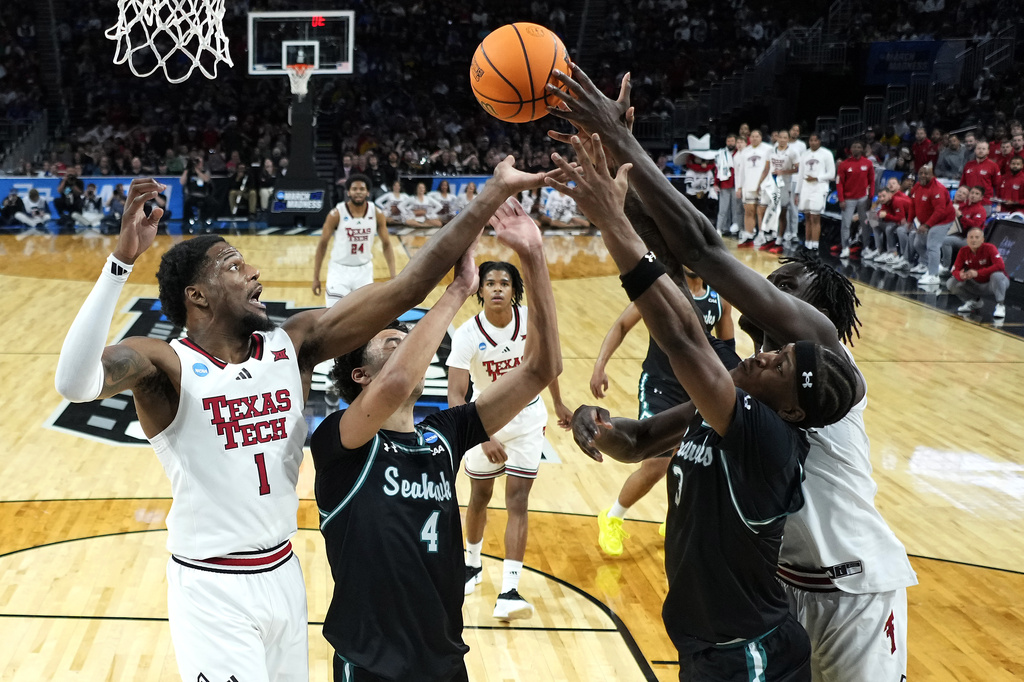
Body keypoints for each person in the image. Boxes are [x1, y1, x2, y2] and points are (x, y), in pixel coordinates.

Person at [53, 160, 551, 682]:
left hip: (283, 574)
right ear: (197, 296)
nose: (254, 273)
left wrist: (490, 195)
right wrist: (120, 261)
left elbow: (408, 286)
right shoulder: (164, 364)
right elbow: (74, 383)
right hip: (211, 586)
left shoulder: (293, 344)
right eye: (233, 265)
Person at [545, 64, 914, 682]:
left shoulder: (819, 352)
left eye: (788, 287)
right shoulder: (749, 390)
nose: (770, 286)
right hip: (779, 590)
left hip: (853, 587)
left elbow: (701, 253)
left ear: (810, 314)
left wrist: (624, 142)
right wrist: (613, 163)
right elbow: (643, 434)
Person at [310, 197, 562, 681]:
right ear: (360, 374)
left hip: (444, 657)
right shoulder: (340, 444)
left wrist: (533, 257)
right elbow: (397, 384)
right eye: (391, 339)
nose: (405, 339)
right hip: (371, 661)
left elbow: (542, 368)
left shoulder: (444, 436)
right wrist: (459, 290)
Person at [446, 260, 573, 620]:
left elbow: (545, 364)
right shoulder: (467, 334)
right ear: (480, 291)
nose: (497, 288)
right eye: (490, 283)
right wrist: (480, 436)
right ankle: (472, 564)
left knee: (518, 500)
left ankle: (510, 590)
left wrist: (559, 402)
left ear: (514, 290)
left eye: (504, 283)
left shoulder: (531, 319)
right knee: (480, 496)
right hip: (484, 418)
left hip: (529, 420)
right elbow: (456, 396)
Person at [592, 269, 736, 554]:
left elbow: (727, 349)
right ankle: (612, 517)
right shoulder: (659, 290)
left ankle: (675, 518)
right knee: (656, 464)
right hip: (660, 386)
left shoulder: (719, 299)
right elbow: (622, 325)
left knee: (687, 460)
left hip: (696, 392)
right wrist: (600, 365)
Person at [312, 173, 397, 308]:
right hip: (339, 271)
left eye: (362, 189)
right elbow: (322, 245)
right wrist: (316, 277)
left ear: (368, 192)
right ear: (348, 192)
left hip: (364, 272)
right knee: (333, 314)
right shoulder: (337, 213)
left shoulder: (376, 213)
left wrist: (393, 275)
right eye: (355, 189)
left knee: (364, 316)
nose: (358, 192)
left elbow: (386, 244)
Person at [908, 164, 956, 286]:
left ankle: (933, 275)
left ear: (932, 175)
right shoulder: (917, 186)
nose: (923, 176)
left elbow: (940, 211)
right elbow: (913, 204)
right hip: (926, 221)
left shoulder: (937, 189)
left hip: (942, 221)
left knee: (932, 245)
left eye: (926, 173)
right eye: (921, 173)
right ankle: (926, 265)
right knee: (918, 244)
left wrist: (927, 226)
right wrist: (909, 220)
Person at [947, 226, 1008, 318]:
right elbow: (955, 270)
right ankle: (974, 301)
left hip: (991, 284)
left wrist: (978, 273)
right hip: (975, 283)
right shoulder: (963, 251)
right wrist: (960, 275)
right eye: (971, 237)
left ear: (982, 239)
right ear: (967, 240)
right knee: (951, 282)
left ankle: (1000, 305)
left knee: (997, 275)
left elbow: (1000, 265)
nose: (973, 240)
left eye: (977, 237)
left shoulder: (990, 248)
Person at [757, 129, 800, 250]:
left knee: (782, 212)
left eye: (785, 137)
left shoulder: (793, 152)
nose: (782, 139)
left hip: (784, 185)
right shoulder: (770, 151)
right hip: (770, 185)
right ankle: (770, 236)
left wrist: (784, 172)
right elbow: (766, 169)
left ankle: (780, 238)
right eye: (780, 137)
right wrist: (760, 183)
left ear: (788, 139)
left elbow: (798, 169)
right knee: (767, 210)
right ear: (777, 138)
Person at [794, 132, 835, 253]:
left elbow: (832, 174)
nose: (812, 142)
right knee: (807, 216)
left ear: (820, 141)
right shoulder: (805, 154)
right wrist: (797, 193)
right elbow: (800, 174)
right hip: (806, 188)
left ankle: (815, 244)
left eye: (815, 140)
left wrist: (817, 178)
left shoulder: (826, 154)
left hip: (819, 188)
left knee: (815, 216)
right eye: (811, 140)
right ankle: (807, 243)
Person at [733, 128, 772, 248]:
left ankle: (762, 235)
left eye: (757, 136)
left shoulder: (768, 149)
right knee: (749, 211)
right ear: (749, 138)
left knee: (761, 212)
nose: (754, 138)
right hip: (748, 185)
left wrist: (766, 184)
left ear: (761, 137)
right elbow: (740, 171)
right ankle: (749, 234)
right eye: (752, 136)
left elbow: (770, 168)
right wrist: (738, 187)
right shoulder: (745, 151)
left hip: (763, 186)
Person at [836, 141, 875, 259]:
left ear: (862, 149)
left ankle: (866, 247)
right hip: (848, 199)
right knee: (846, 224)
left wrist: (870, 197)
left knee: (865, 224)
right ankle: (845, 248)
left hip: (863, 198)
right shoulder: (844, 164)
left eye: (859, 147)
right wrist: (841, 199)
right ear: (850, 149)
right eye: (854, 146)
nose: (856, 149)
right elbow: (839, 183)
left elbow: (872, 181)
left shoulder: (868, 163)